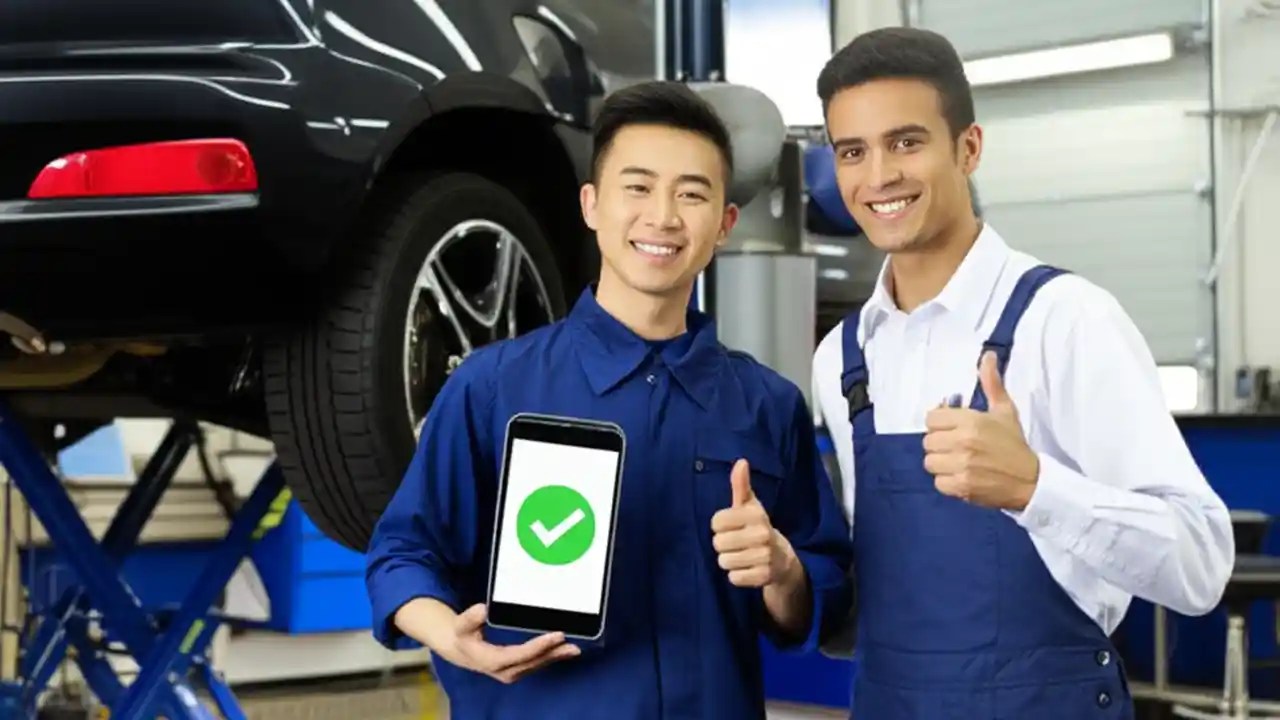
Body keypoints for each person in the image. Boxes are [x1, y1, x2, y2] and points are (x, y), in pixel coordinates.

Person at [366, 80, 854, 719]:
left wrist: (782, 568)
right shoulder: (491, 389)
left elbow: (824, 595)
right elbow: (404, 554)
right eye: (639, 187)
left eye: (692, 194)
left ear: (724, 225)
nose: (663, 216)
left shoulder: (767, 406)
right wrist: (447, 636)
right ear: (592, 205)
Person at [810, 27, 1235, 719]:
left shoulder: (1068, 323)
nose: (879, 175)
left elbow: (1203, 565)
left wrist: (1037, 488)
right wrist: (785, 578)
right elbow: (895, 599)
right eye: (853, 152)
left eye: (906, 142)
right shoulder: (842, 357)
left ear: (968, 148)